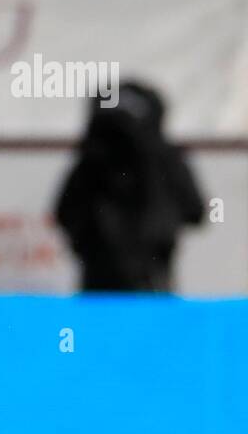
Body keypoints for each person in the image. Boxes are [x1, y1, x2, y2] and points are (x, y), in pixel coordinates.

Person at [54, 81, 205, 292]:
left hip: (103, 287)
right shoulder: (165, 158)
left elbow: (62, 213)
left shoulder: (91, 160)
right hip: (149, 285)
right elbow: (196, 212)